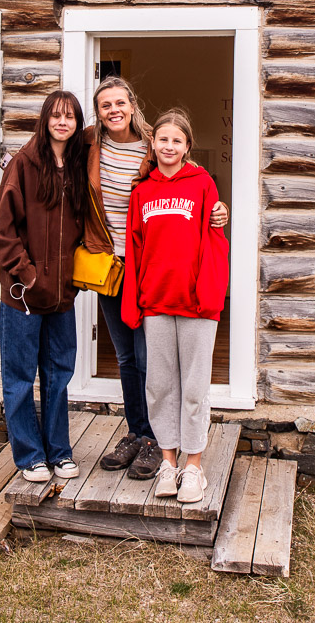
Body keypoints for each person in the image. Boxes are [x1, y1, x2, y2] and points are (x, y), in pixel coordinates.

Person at [83, 77, 228, 480]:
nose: (113, 110)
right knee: (127, 357)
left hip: (157, 268)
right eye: (105, 104)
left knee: (154, 361)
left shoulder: (153, 143)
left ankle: (157, 444)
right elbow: (51, 147)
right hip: (111, 263)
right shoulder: (89, 145)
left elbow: (184, 168)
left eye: (120, 102)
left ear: (133, 105)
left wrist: (217, 208)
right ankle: (138, 433)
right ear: (99, 112)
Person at [122, 109, 230, 504]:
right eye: (162, 139)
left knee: (195, 389)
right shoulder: (142, 192)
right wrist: (135, 302)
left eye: (176, 141)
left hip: (197, 304)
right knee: (160, 386)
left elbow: (216, 244)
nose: (168, 146)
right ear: (154, 143)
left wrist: (211, 296)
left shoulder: (202, 185)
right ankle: (168, 462)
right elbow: (134, 251)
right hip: (156, 302)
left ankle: (194, 468)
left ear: (187, 147)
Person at [0, 91, 87, 482]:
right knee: (18, 378)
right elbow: (2, 234)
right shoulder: (22, 165)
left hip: (62, 295)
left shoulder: (80, 165)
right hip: (23, 296)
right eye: (56, 116)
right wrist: (28, 275)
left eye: (71, 117)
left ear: (78, 123)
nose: (63, 123)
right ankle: (30, 456)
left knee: (58, 375)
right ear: (45, 119)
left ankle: (58, 452)